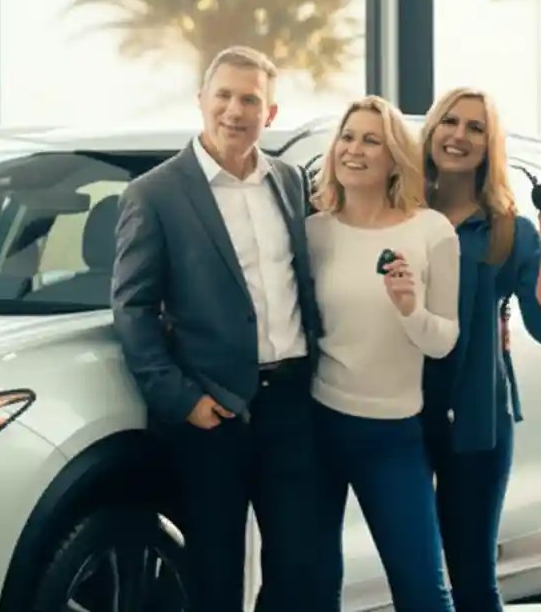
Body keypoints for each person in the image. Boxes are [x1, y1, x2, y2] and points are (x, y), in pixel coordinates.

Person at [110, 45, 334, 611]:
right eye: (225, 96)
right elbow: (132, 308)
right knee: (214, 576)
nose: (235, 110)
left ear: (270, 113)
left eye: (250, 100)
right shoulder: (155, 194)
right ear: (202, 101)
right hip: (211, 414)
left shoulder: (287, 182)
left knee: (299, 568)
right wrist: (182, 400)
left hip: (291, 404)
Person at [305, 95, 460, 611]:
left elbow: (444, 339)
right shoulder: (313, 232)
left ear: (395, 156)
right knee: (310, 584)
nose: (355, 149)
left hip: (393, 433)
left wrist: (410, 309)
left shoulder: (431, 231)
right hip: (317, 427)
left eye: (371, 140)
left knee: (422, 589)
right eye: (347, 137)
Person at [419, 86, 541, 611]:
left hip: (477, 418)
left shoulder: (512, 230)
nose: (458, 135)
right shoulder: (399, 211)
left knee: (472, 581)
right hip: (398, 412)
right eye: (450, 122)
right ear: (432, 130)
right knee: (416, 575)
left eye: (475, 128)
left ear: (489, 147)